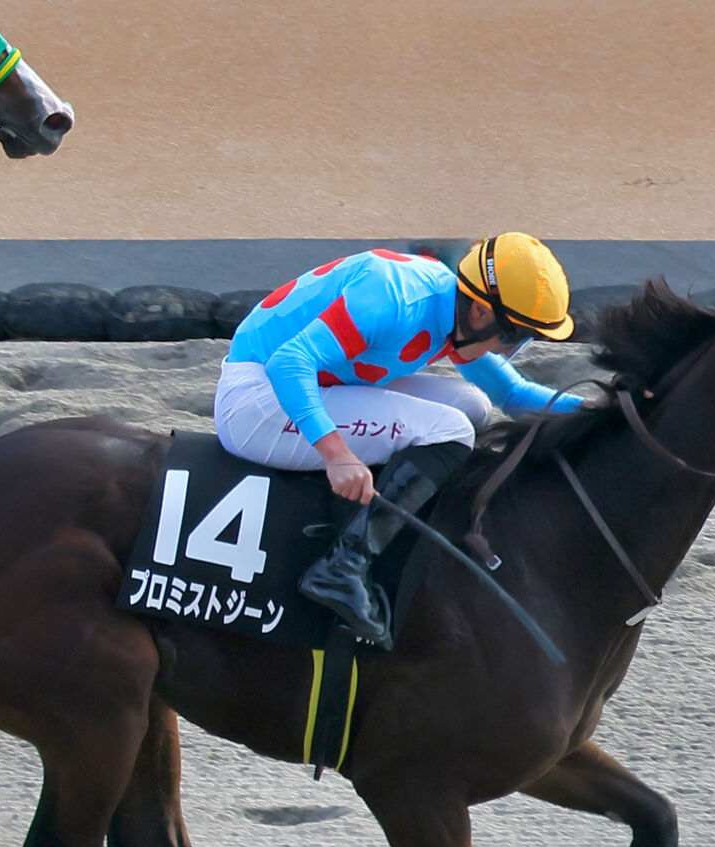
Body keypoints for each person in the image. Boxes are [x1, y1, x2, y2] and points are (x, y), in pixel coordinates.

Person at [217, 233, 583, 647]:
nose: (512, 349)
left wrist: (607, 409)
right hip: (257, 402)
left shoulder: (454, 307)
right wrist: (337, 454)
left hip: (312, 385)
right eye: (515, 335)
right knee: (452, 429)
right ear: (481, 311)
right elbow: (289, 363)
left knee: (472, 407)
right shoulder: (397, 302)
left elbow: (514, 395)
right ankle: (342, 567)